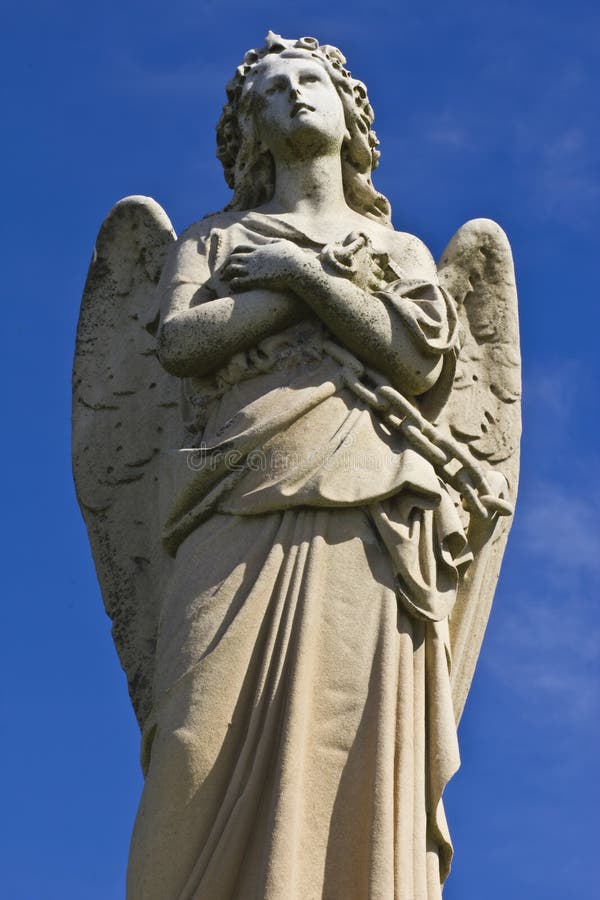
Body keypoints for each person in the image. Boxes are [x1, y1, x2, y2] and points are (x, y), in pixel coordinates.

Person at [126, 34, 470, 900]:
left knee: (350, 735)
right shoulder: (213, 241)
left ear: (352, 114)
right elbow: (179, 343)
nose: (295, 96)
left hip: (371, 502)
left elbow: (417, 358)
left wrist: (299, 276)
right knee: (193, 742)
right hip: (230, 492)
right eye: (271, 92)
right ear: (250, 133)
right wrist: (298, 280)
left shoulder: (400, 255)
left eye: (311, 81)